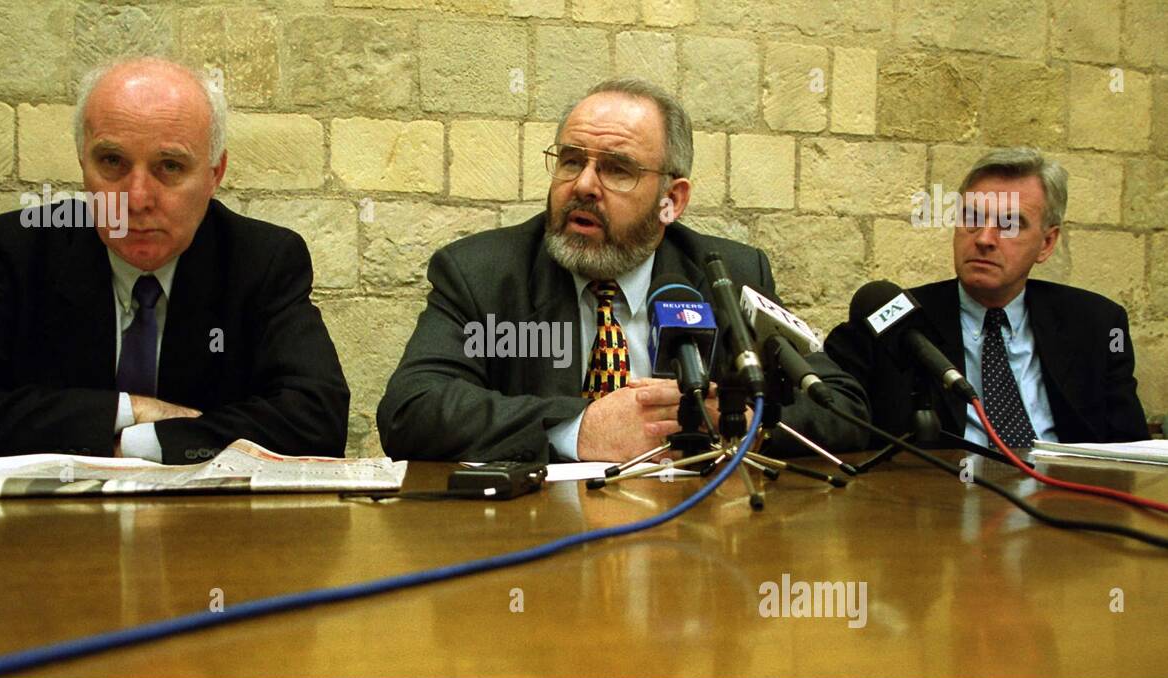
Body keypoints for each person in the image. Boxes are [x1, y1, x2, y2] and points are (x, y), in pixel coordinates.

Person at [0, 57, 349, 470]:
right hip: (45, 544)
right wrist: (129, 409)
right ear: (82, 162)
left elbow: (316, 420)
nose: (136, 199)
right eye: (112, 162)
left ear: (214, 175)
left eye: (170, 166)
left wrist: (142, 442)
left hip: (208, 543)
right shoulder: (14, 253)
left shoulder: (262, 261)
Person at [378, 78, 869, 463]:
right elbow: (412, 409)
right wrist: (580, 427)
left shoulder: (727, 275)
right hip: (539, 538)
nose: (584, 185)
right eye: (571, 161)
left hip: (689, 543)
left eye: (616, 169)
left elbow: (841, 405)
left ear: (671, 201)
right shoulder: (483, 274)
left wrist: (734, 418)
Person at [824, 147, 1148, 447]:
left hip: (1061, 498)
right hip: (939, 501)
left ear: (1047, 243)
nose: (984, 239)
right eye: (973, 218)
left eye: (1010, 224)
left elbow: (1131, 452)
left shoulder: (1097, 325)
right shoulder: (893, 323)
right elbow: (833, 421)